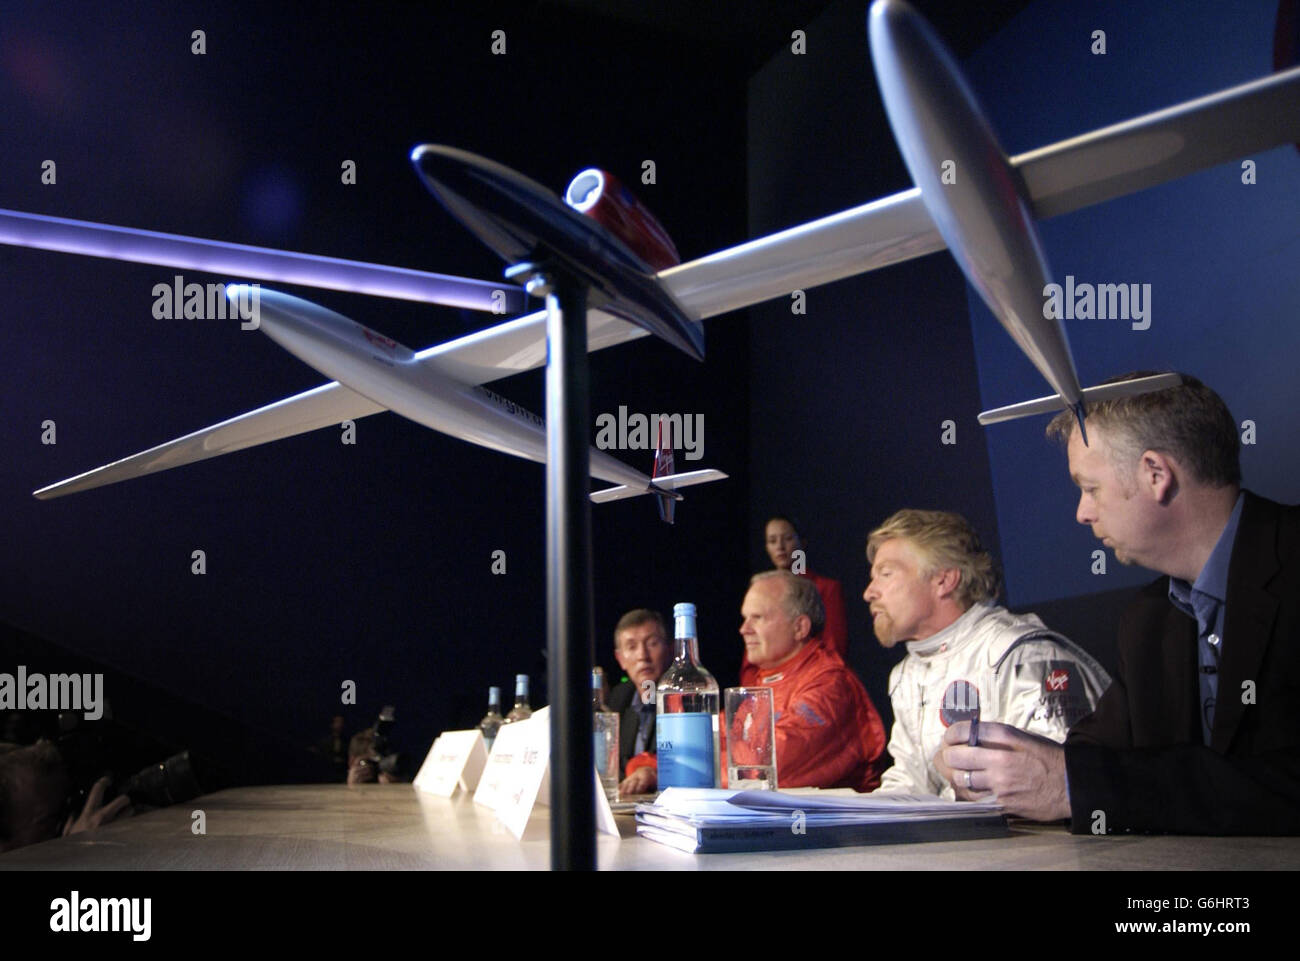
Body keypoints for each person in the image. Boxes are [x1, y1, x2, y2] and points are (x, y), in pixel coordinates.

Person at [940, 372, 1300, 834]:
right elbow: (1096, 756)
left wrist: (1069, 784)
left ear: (1155, 474)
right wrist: (1005, 765)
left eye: (1090, 487)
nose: (1082, 512)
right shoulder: (1150, 620)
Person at [864, 509, 1110, 798]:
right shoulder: (907, 675)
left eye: (886, 574)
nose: (869, 592)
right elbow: (911, 787)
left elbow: (1056, 791)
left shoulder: (1022, 656)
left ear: (944, 580)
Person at [738, 571, 886, 791]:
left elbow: (770, 769)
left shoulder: (831, 684)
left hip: (833, 824)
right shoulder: (765, 681)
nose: (744, 629)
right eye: (745, 618)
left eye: (757, 618)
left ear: (800, 627)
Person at [760, 516, 849, 659]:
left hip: (815, 674)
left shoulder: (826, 588)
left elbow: (834, 649)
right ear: (767, 548)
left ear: (802, 542)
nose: (780, 546)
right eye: (772, 541)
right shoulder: (762, 594)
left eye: (788, 538)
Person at [605, 609, 672, 796]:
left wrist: (653, 771)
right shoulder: (619, 697)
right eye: (632, 646)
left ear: (669, 649)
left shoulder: (687, 696)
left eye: (652, 643)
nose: (643, 655)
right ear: (620, 659)